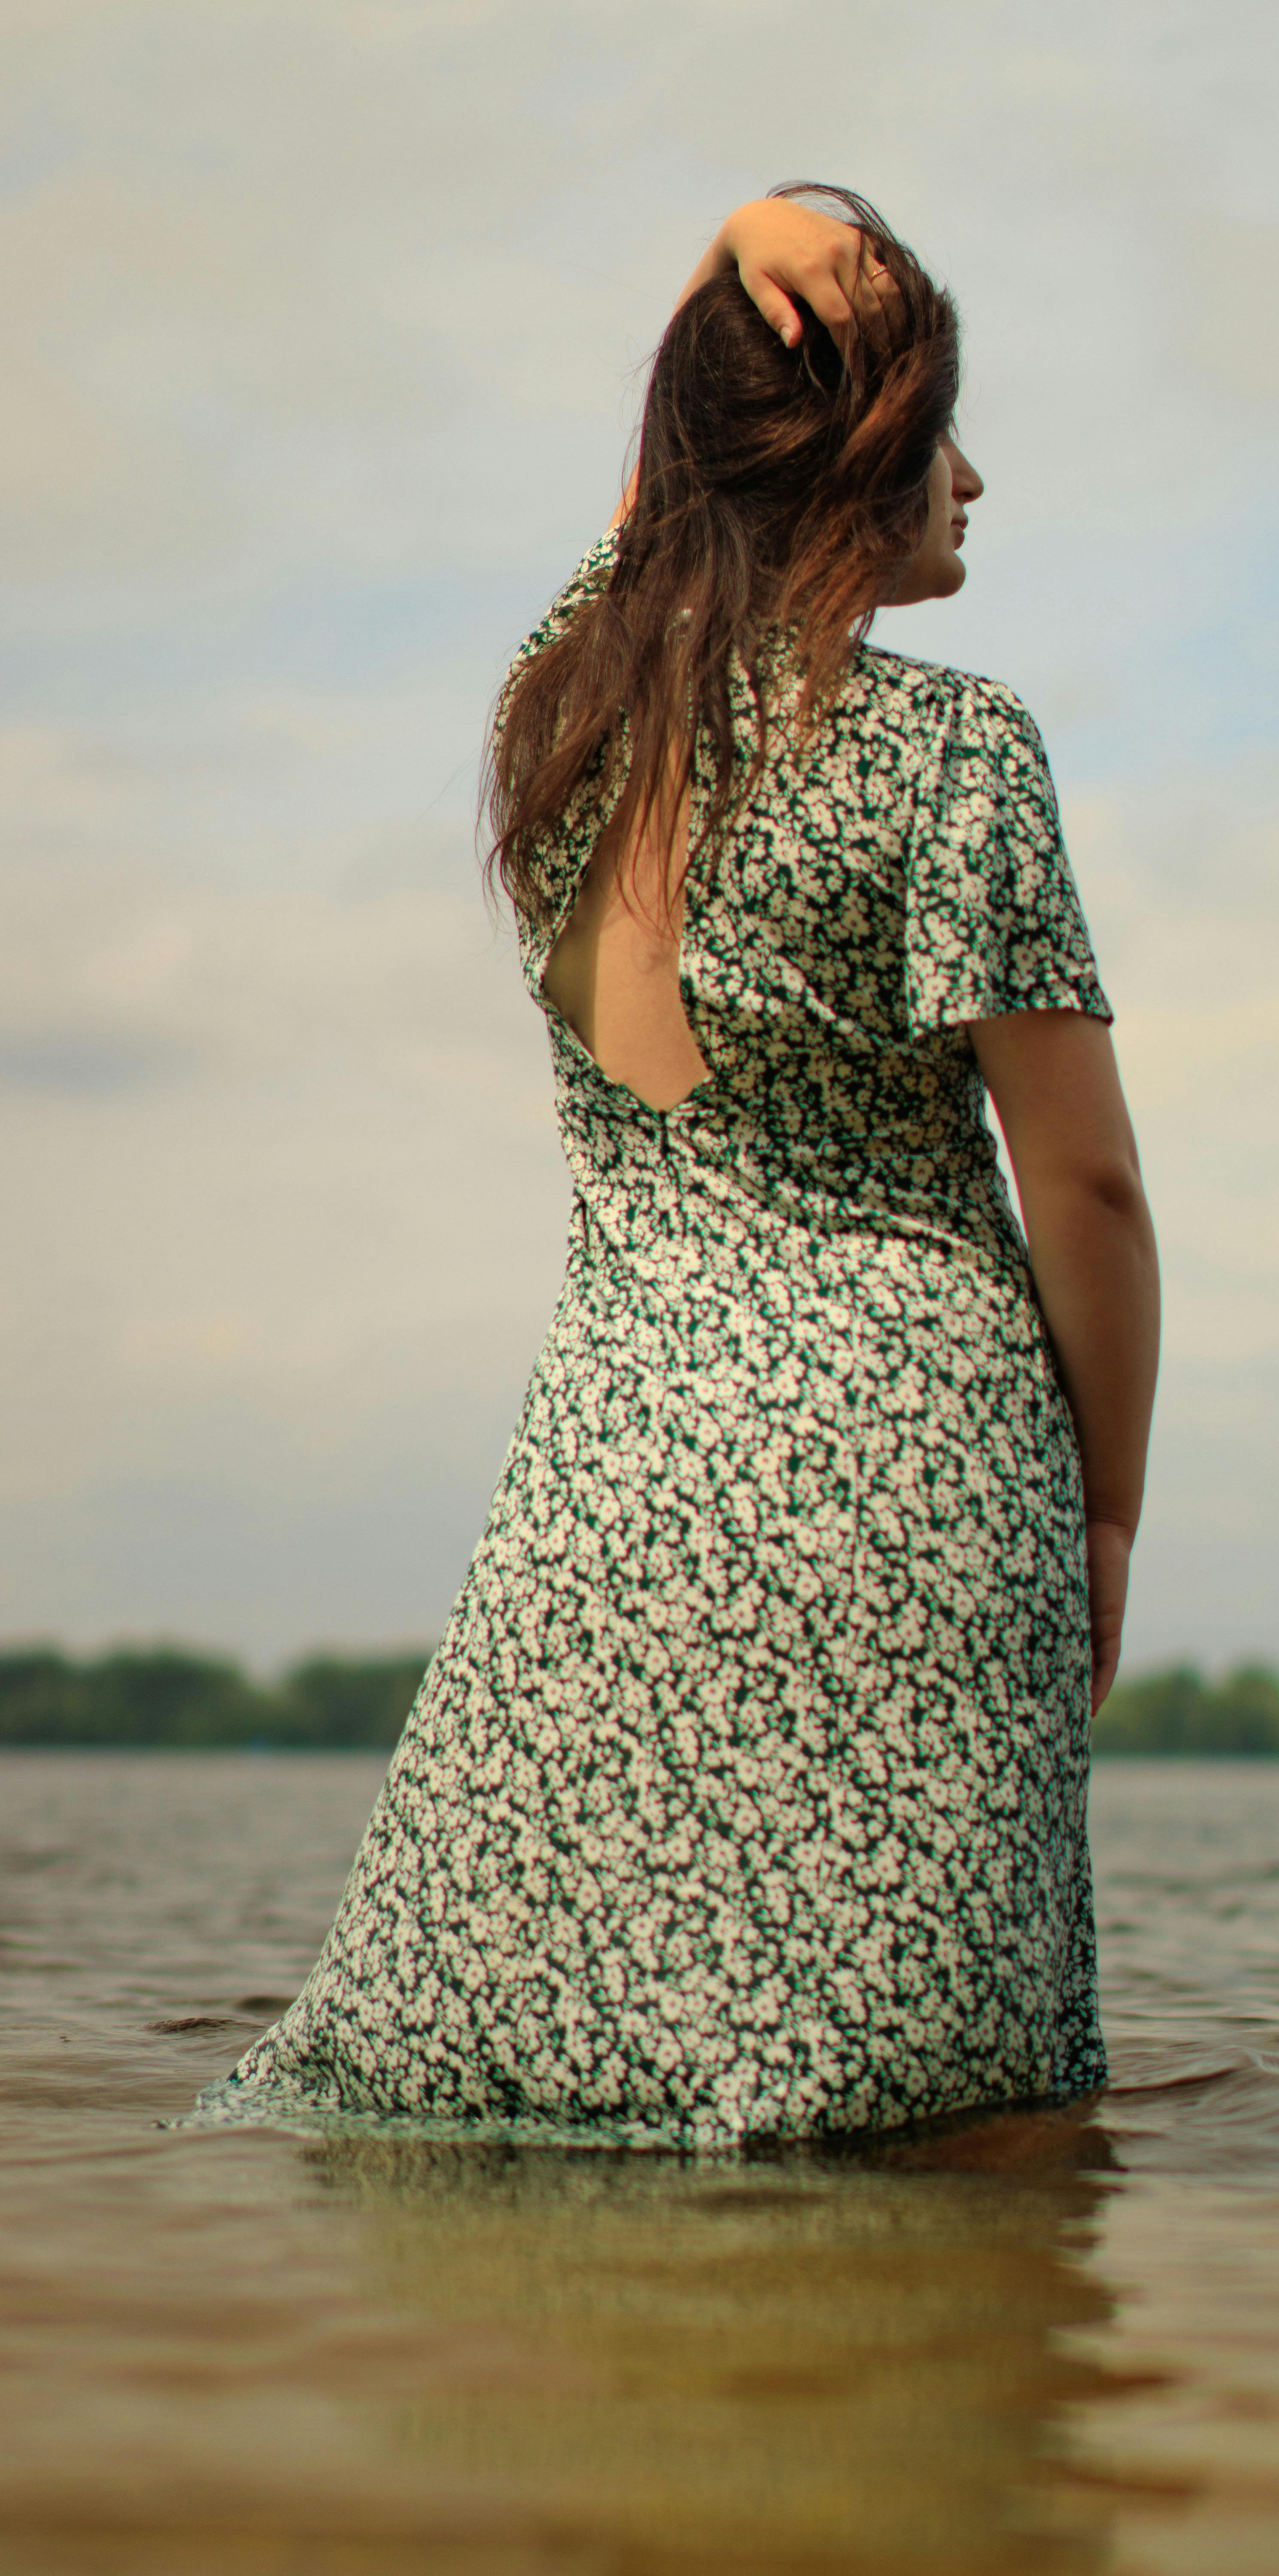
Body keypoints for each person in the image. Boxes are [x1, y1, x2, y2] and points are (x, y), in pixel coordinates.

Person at [198, 186, 1160, 2152]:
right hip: (908, 1479)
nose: (974, 479)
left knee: (530, 2109)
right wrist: (1113, 1521)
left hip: (614, 1485)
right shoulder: (957, 754)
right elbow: (1091, 1197)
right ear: (859, 451)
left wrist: (750, 234)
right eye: (938, 430)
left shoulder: (560, 715)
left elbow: (663, 491)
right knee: (924, 2131)